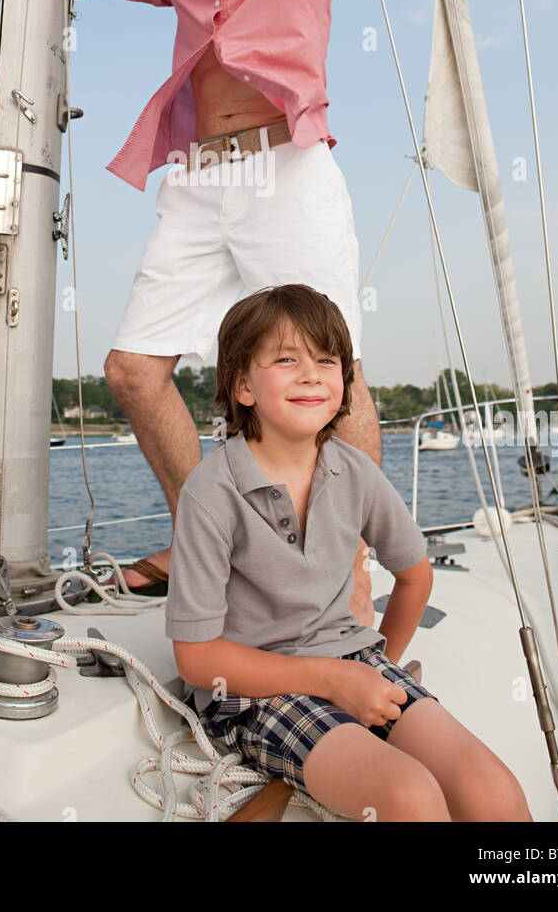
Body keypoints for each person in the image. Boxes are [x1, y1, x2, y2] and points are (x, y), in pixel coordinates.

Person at [34, 0, 398, 616]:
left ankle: (343, 572)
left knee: (331, 370)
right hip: (201, 182)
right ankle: (216, 540)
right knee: (133, 370)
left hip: (290, 173)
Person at [166, 284, 532, 821]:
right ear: (243, 385)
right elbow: (196, 659)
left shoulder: (356, 473)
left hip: (351, 657)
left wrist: (375, 666)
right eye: (285, 359)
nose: (311, 373)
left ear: (344, 380)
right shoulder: (211, 491)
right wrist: (334, 680)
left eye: (326, 360)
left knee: (491, 788)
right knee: (409, 796)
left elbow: (414, 576)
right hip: (252, 687)